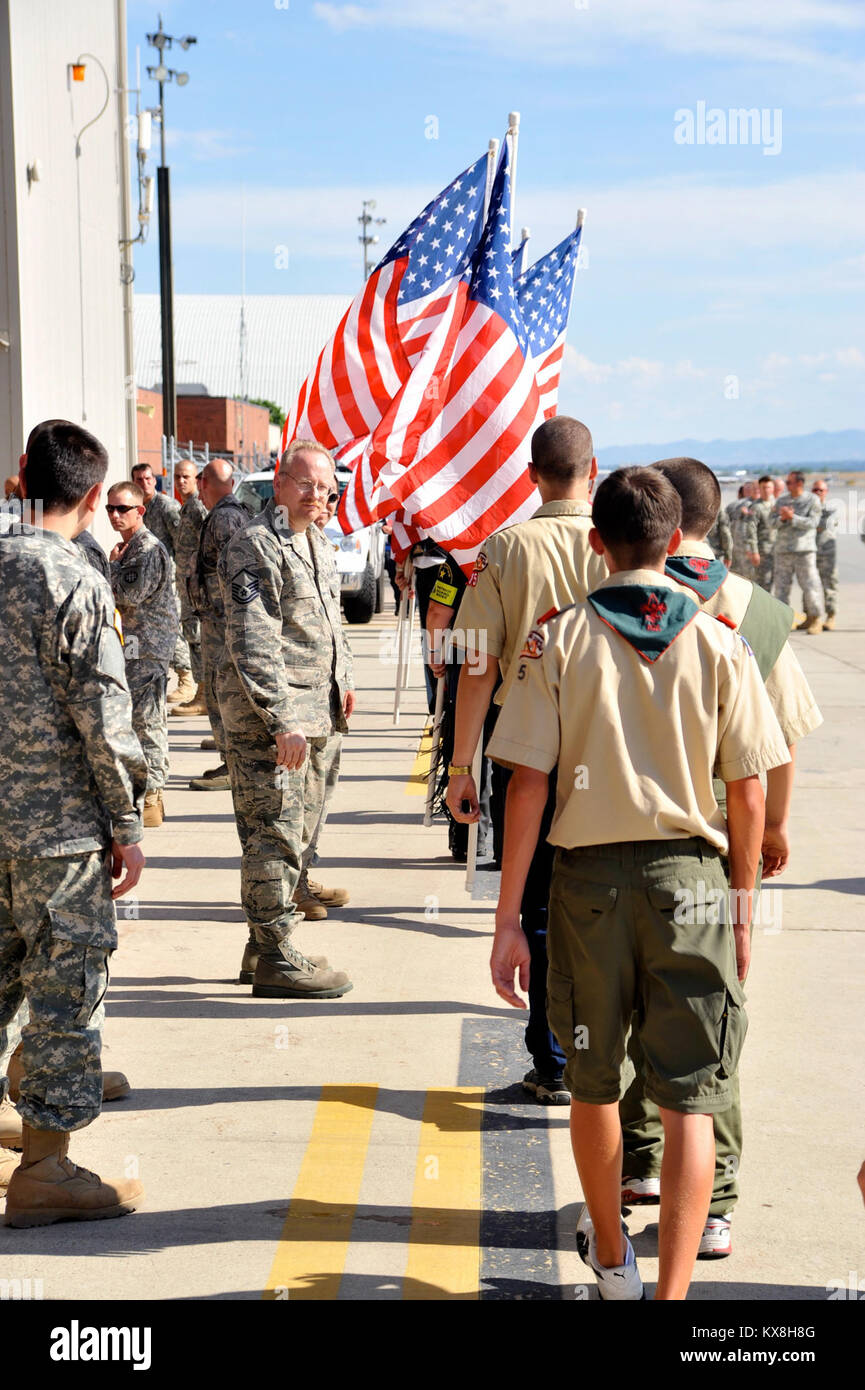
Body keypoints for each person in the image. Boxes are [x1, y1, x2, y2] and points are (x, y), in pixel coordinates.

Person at [487, 466, 790, 1300]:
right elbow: (749, 792)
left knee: (592, 1080)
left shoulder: (558, 639)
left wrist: (509, 916)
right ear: (677, 538)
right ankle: (674, 1292)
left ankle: (615, 1259)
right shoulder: (722, 638)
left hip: (587, 883)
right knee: (691, 1096)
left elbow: (526, 784)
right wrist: (740, 908)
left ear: (596, 542)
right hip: (693, 879)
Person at [619, 456, 823, 1258]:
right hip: (717, 847)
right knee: (712, 1021)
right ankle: (716, 1194)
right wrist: (771, 829)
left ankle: (641, 1163)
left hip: (629, 840)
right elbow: (783, 738)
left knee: (633, 1008)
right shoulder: (761, 612)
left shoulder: (618, 596)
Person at [0, 419, 146, 1225]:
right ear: (93, 498)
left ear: (22, 481)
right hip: (57, 837)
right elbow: (104, 717)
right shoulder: (75, 581)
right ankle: (45, 1172)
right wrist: (126, 823)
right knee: (64, 993)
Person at [447, 416, 606, 1105]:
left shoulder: (505, 549)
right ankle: (602, 1055)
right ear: (591, 469)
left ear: (531, 475)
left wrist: (459, 764)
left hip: (525, 740)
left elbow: (475, 666)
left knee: (534, 900)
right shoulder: (618, 542)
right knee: (601, 897)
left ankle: (554, 1062)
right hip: (604, 741)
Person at [218, 439, 354, 997]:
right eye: (305, 483)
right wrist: (280, 720)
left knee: (297, 833)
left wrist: (342, 683)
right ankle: (276, 956)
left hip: (316, 715)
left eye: (324, 486)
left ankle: (262, 947)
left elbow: (326, 623)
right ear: (279, 482)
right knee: (273, 833)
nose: (315, 494)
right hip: (274, 725)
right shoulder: (255, 545)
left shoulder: (317, 542)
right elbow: (254, 638)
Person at [107, 481, 178, 828]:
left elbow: (128, 594)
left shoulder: (147, 549)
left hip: (147, 650)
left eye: (123, 509)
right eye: (110, 509)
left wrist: (110, 570)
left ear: (140, 511)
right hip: (135, 648)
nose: (115, 515)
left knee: (147, 725)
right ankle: (146, 794)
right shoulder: (130, 548)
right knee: (137, 723)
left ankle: (152, 797)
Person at [186, 461, 249, 792]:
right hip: (219, 619)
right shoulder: (230, 514)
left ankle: (234, 767)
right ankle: (231, 760)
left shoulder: (225, 518)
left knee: (223, 691)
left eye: (198, 481)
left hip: (223, 622)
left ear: (204, 482)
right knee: (220, 690)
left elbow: (236, 574)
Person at [132, 462, 194, 706]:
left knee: (172, 627)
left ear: (154, 480)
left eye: (148, 478)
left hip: (169, 579)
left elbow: (183, 542)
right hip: (147, 580)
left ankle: (187, 679)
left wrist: (184, 576)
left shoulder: (166, 506)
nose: (145, 483)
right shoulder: (138, 509)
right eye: (139, 479)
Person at [169, 459, 209, 718]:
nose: (181, 481)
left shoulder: (197, 508)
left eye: (186, 477)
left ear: (196, 480)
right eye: (177, 477)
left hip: (196, 589)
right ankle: (200, 691)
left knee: (198, 639)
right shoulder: (186, 508)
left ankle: (204, 695)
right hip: (186, 586)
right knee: (193, 638)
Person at [772, 470, 824, 633]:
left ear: (799, 483)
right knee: (781, 588)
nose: (787, 486)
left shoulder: (812, 500)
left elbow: (814, 522)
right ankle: (782, 621)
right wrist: (782, 518)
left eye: (790, 482)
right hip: (783, 551)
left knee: (810, 586)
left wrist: (793, 518)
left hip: (804, 551)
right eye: (786, 483)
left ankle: (815, 619)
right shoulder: (782, 500)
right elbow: (771, 522)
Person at [812, 478, 840, 631]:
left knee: (829, 584)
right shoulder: (807, 506)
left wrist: (806, 520)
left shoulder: (831, 508)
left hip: (827, 552)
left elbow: (823, 525)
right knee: (810, 585)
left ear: (826, 492)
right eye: (815, 490)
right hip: (809, 551)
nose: (817, 493)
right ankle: (810, 615)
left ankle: (831, 615)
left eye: (821, 490)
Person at [726, 482, 759, 579]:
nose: (750, 491)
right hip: (738, 548)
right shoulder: (736, 505)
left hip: (751, 550)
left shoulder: (761, 505)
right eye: (748, 489)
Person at [752, 474, 778, 592]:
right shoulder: (755, 507)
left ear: (773, 489)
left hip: (780, 550)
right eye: (763, 487)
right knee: (764, 583)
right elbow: (750, 532)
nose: (766, 490)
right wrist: (754, 551)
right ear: (760, 489)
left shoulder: (779, 505)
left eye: (769, 487)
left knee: (780, 582)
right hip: (763, 551)